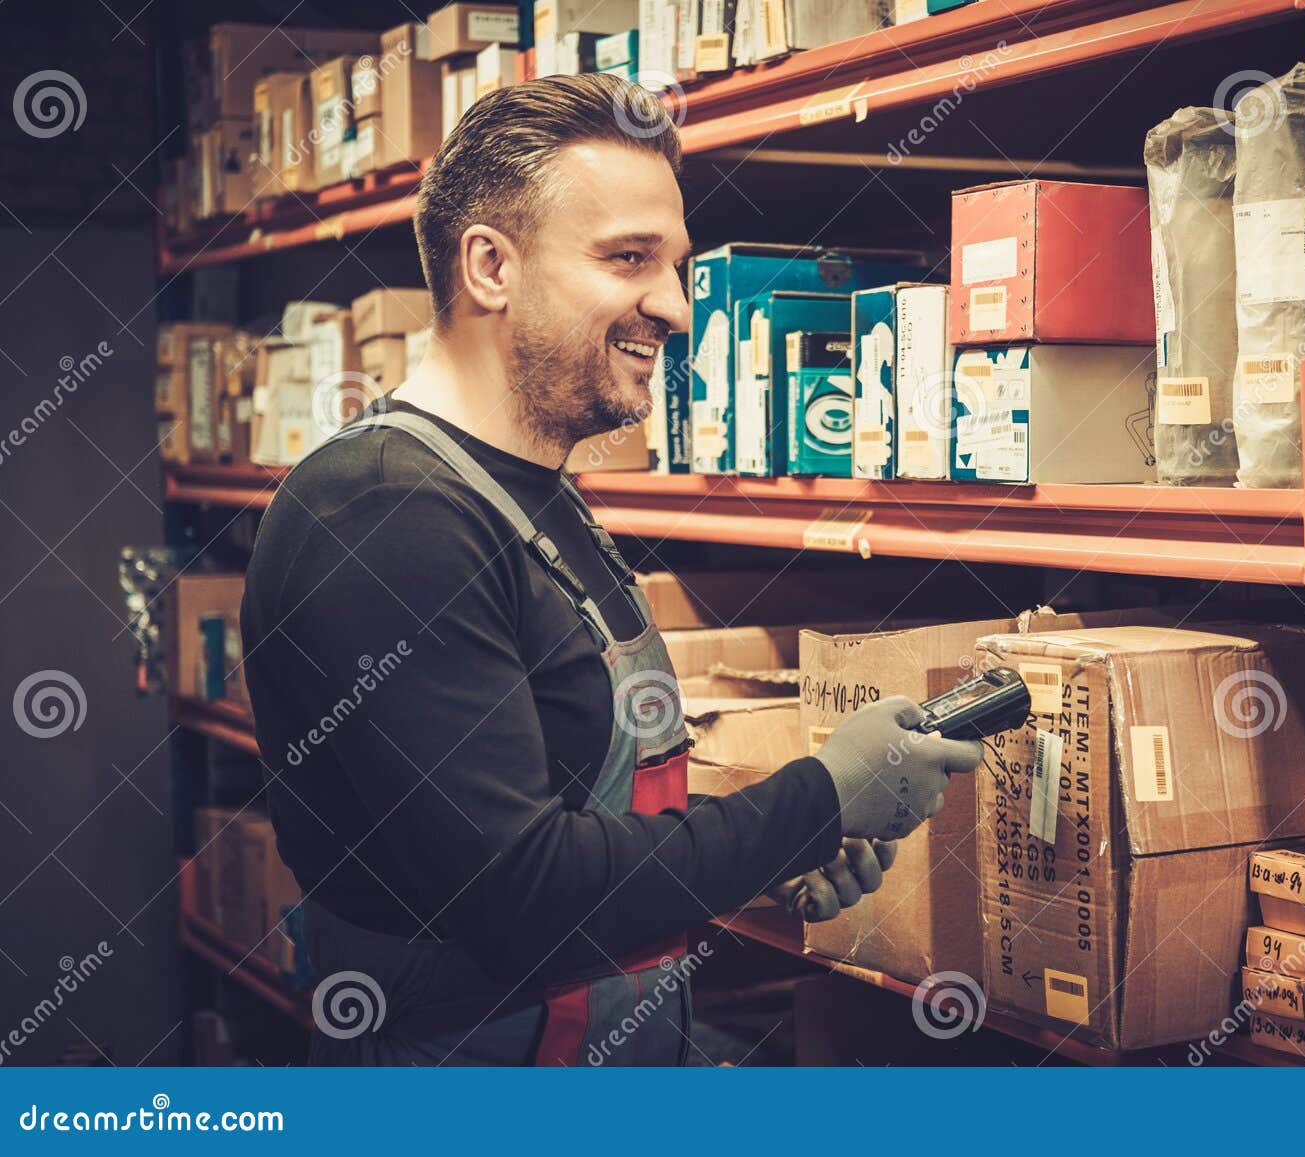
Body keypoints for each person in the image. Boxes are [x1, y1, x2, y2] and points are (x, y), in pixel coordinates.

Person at [240, 75, 982, 1066]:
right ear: (491, 266)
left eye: (675, 264)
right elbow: (518, 892)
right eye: (628, 258)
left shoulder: (531, 490)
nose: (674, 306)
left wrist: (769, 853)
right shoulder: (384, 513)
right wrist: (817, 798)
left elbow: (591, 818)